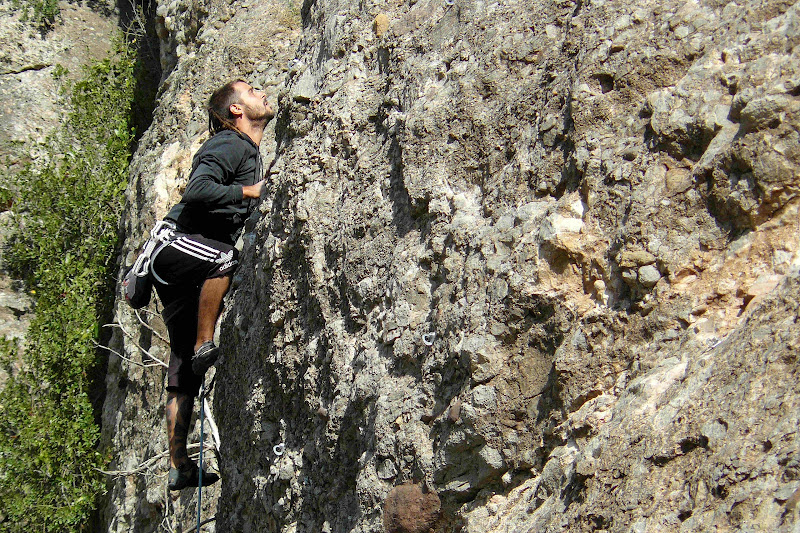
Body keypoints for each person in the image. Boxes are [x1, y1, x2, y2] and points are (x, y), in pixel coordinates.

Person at [150, 79, 275, 490]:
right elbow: (199, 189)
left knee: (182, 367)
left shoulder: (242, 148)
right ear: (236, 111)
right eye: (252, 91)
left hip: (170, 258)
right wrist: (251, 190)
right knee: (226, 256)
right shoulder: (231, 143)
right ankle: (207, 343)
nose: (263, 94)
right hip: (181, 246)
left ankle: (180, 465)